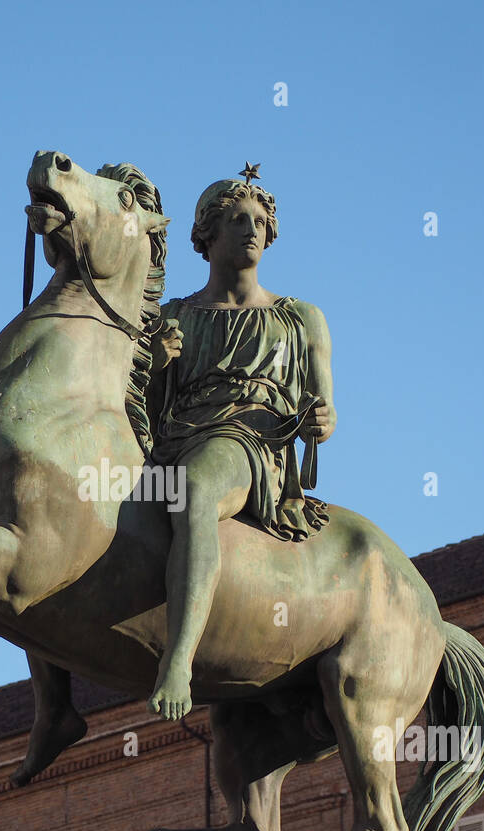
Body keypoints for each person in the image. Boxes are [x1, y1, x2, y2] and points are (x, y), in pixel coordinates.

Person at [147, 167, 336, 721]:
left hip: (249, 439)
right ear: (206, 235)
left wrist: (319, 421)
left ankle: (178, 659)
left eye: (260, 221)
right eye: (237, 220)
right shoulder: (172, 318)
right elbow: (143, 403)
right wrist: (156, 367)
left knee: (196, 492)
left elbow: (323, 411)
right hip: (172, 439)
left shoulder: (299, 319)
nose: (252, 229)